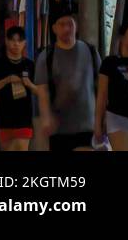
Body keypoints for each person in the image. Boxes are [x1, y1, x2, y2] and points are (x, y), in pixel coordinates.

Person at [35, 10, 101, 151]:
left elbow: (101, 86)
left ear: (76, 26)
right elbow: (43, 91)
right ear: (54, 28)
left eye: (70, 24)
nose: (66, 28)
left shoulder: (90, 51)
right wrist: (46, 117)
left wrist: (102, 118)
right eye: (62, 24)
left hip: (87, 124)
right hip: (59, 127)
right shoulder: (46, 56)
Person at [0, 25, 41, 151]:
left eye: (19, 40)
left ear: (24, 43)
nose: (16, 44)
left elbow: (40, 91)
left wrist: (29, 84)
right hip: (5, 118)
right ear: (6, 41)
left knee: (21, 148)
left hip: (24, 118)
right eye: (13, 40)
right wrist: (6, 80)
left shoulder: (30, 65)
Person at [96, 18, 128, 151]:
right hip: (118, 117)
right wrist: (98, 124)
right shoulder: (110, 63)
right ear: (123, 37)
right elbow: (101, 96)